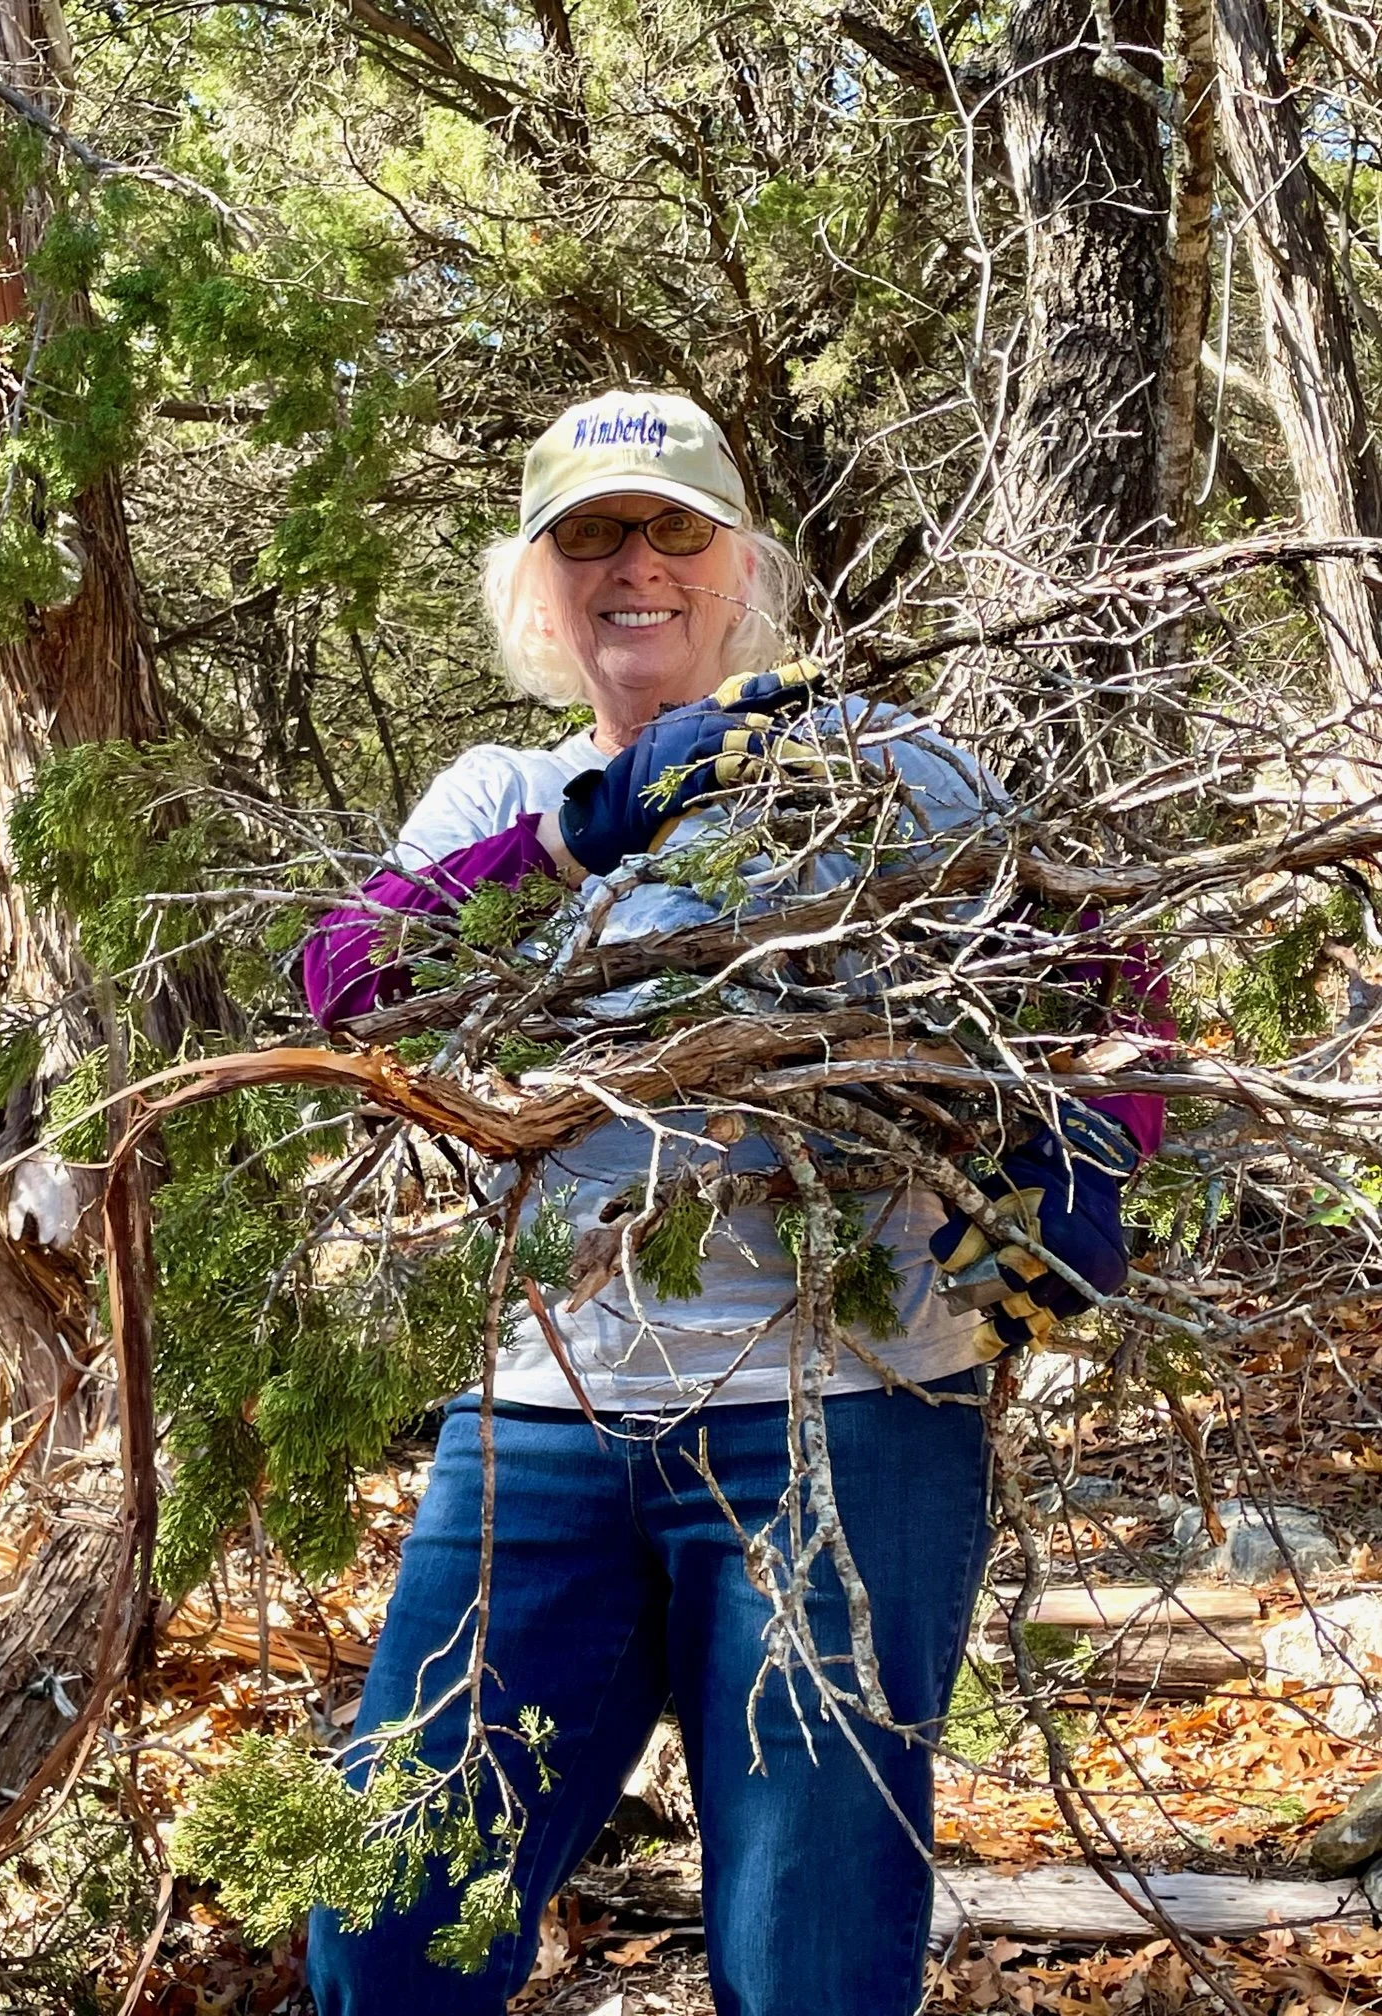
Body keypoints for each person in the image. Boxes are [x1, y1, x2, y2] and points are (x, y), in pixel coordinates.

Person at [301, 391, 1164, 2016]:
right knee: (389, 1927)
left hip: (847, 1412)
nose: (638, 565)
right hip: (543, 1417)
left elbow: (1109, 993)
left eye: (676, 529)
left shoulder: (886, 772)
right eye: (593, 533)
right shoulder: (493, 797)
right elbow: (341, 984)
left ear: (740, 563)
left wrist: (1085, 1168)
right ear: (536, 581)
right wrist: (577, 840)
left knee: (810, 1959)